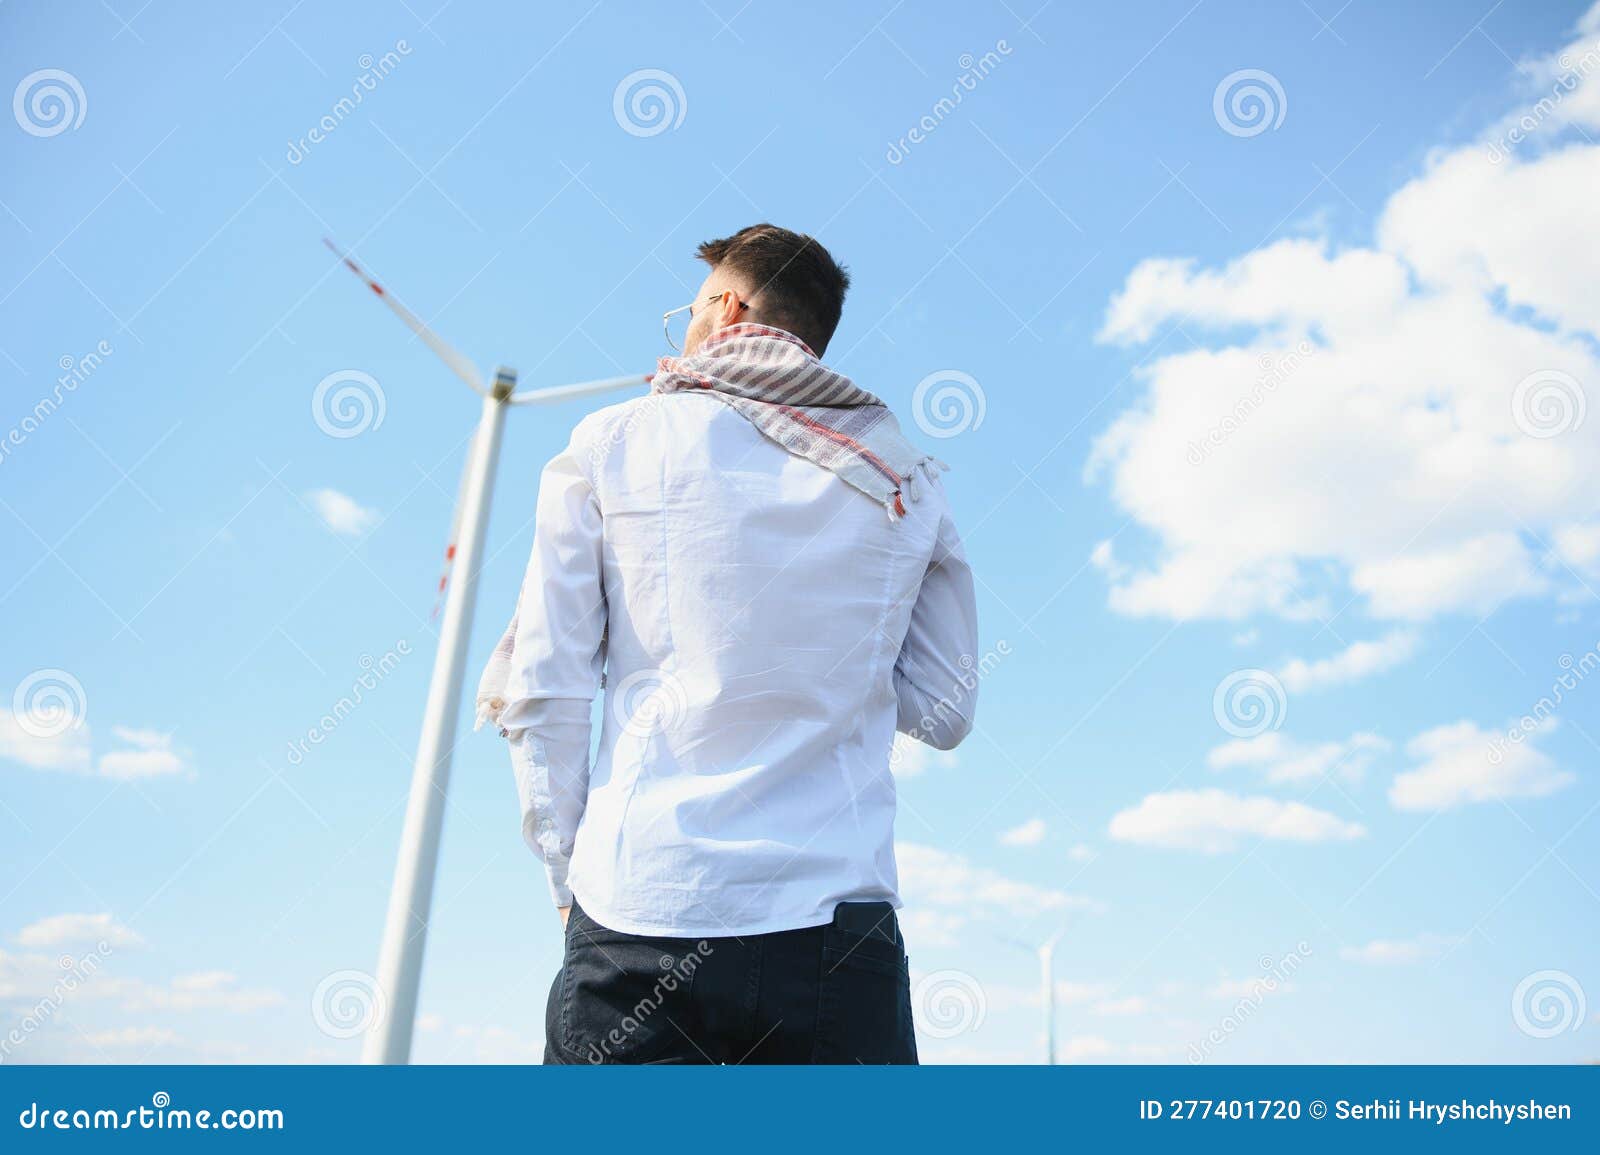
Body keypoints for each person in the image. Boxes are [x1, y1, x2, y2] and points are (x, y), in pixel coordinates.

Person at [476, 223, 979, 1064]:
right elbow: (945, 709)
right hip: (837, 936)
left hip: (640, 911)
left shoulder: (611, 443)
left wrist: (569, 877)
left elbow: (546, 687)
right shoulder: (906, 483)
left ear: (726, 305)